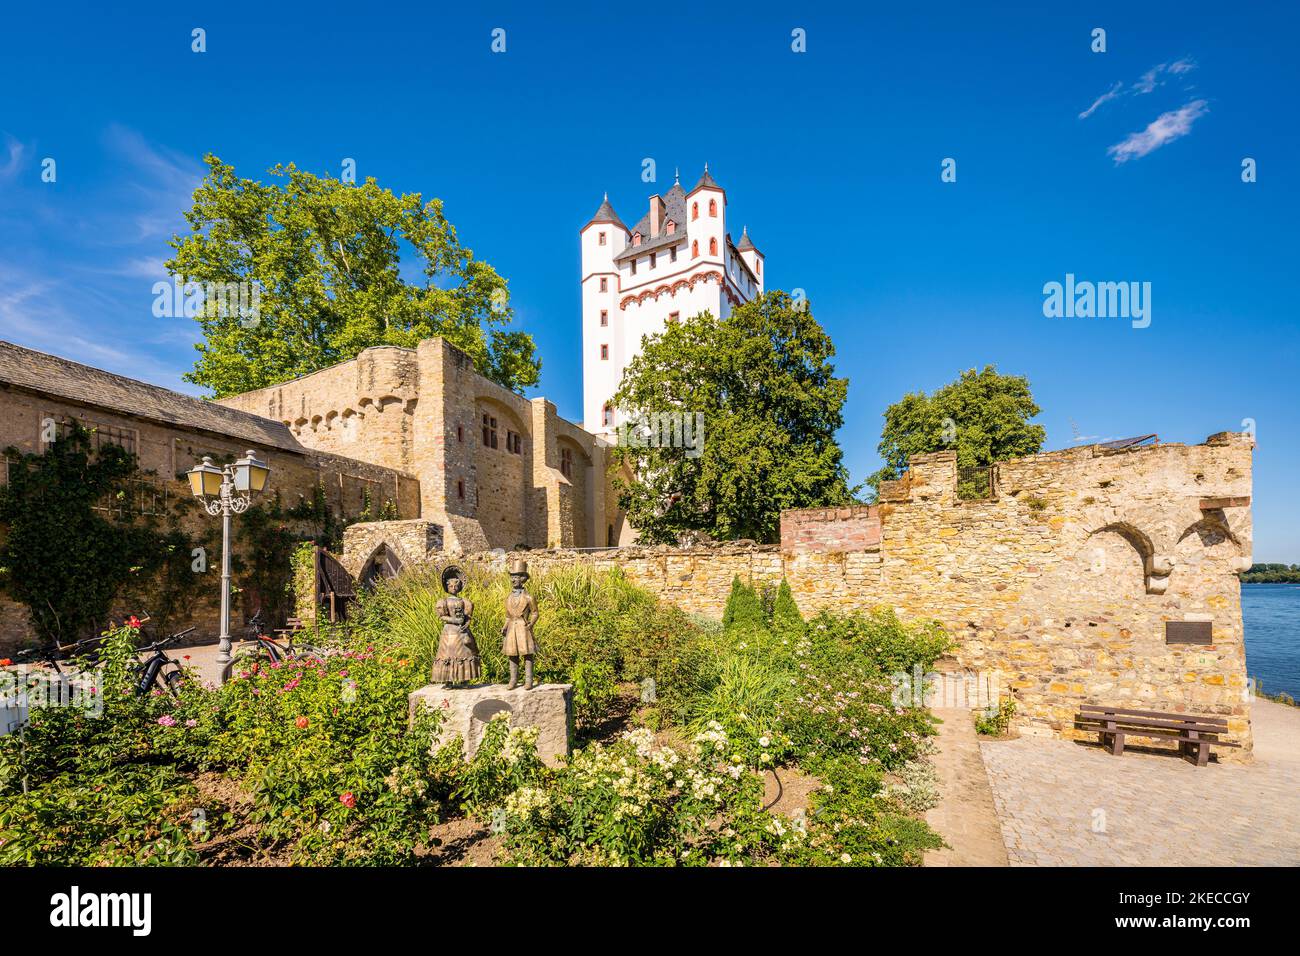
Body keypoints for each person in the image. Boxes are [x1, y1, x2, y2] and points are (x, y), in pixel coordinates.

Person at [431, 566, 481, 685]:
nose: (454, 588)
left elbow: (468, 616)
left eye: (456, 586)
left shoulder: (464, 601)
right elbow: (442, 616)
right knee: (448, 654)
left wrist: (466, 622)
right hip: (449, 632)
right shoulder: (443, 601)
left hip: (462, 631)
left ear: (460, 587)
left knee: (464, 653)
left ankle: (464, 678)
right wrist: (454, 620)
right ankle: (448, 679)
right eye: (451, 586)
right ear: (447, 587)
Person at [501, 559, 539, 690]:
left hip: (523, 627)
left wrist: (531, 624)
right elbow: (508, 616)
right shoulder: (508, 598)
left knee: (527, 654)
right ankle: (513, 680)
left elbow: (535, 613)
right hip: (512, 628)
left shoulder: (529, 597)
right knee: (512, 655)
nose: (513, 580)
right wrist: (504, 627)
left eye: (516, 577)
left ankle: (529, 680)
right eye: (512, 577)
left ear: (523, 579)